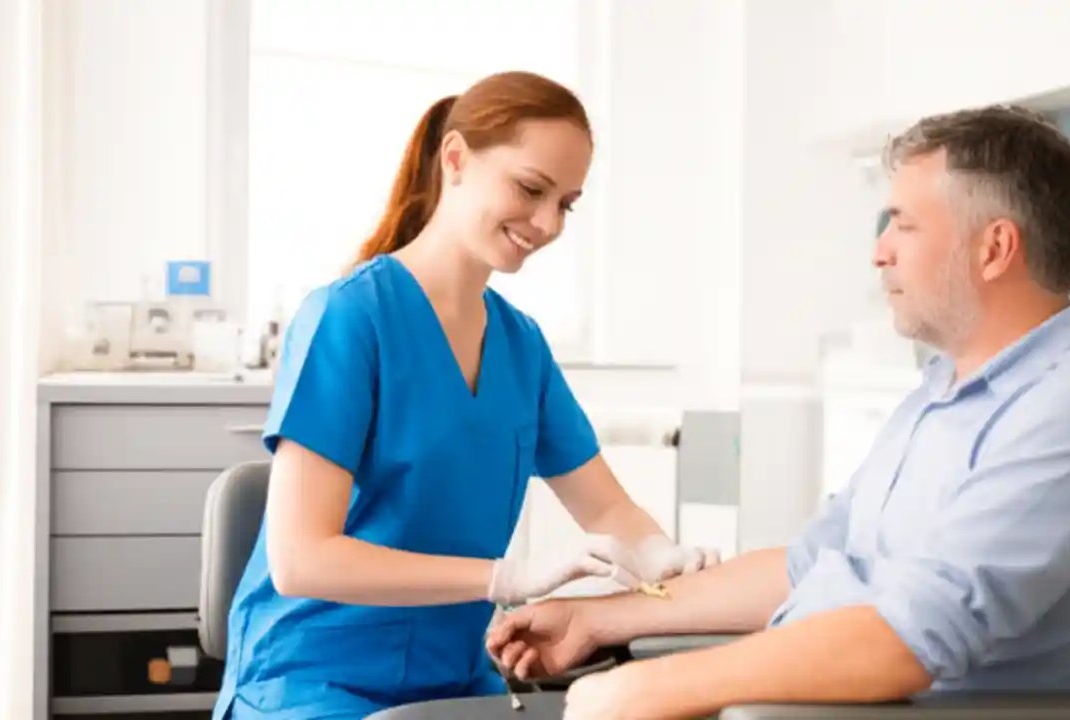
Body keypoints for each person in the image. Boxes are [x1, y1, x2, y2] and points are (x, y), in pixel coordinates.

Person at [487, 105, 1070, 720]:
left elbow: (904, 642)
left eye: (902, 223)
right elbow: (806, 567)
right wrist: (601, 619)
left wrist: (651, 688)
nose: (880, 251)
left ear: (994, 249)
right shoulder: (940, 398)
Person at [212, 70, 720, 720]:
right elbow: (299, 559)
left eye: (565, 203)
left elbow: (607, 506)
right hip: (312, 681)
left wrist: (660, 554)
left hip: (452, 680)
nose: (546, 223)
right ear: (455, 159)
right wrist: (502, 579)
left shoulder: (519, 344)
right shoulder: (348, 319)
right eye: (530, 188)